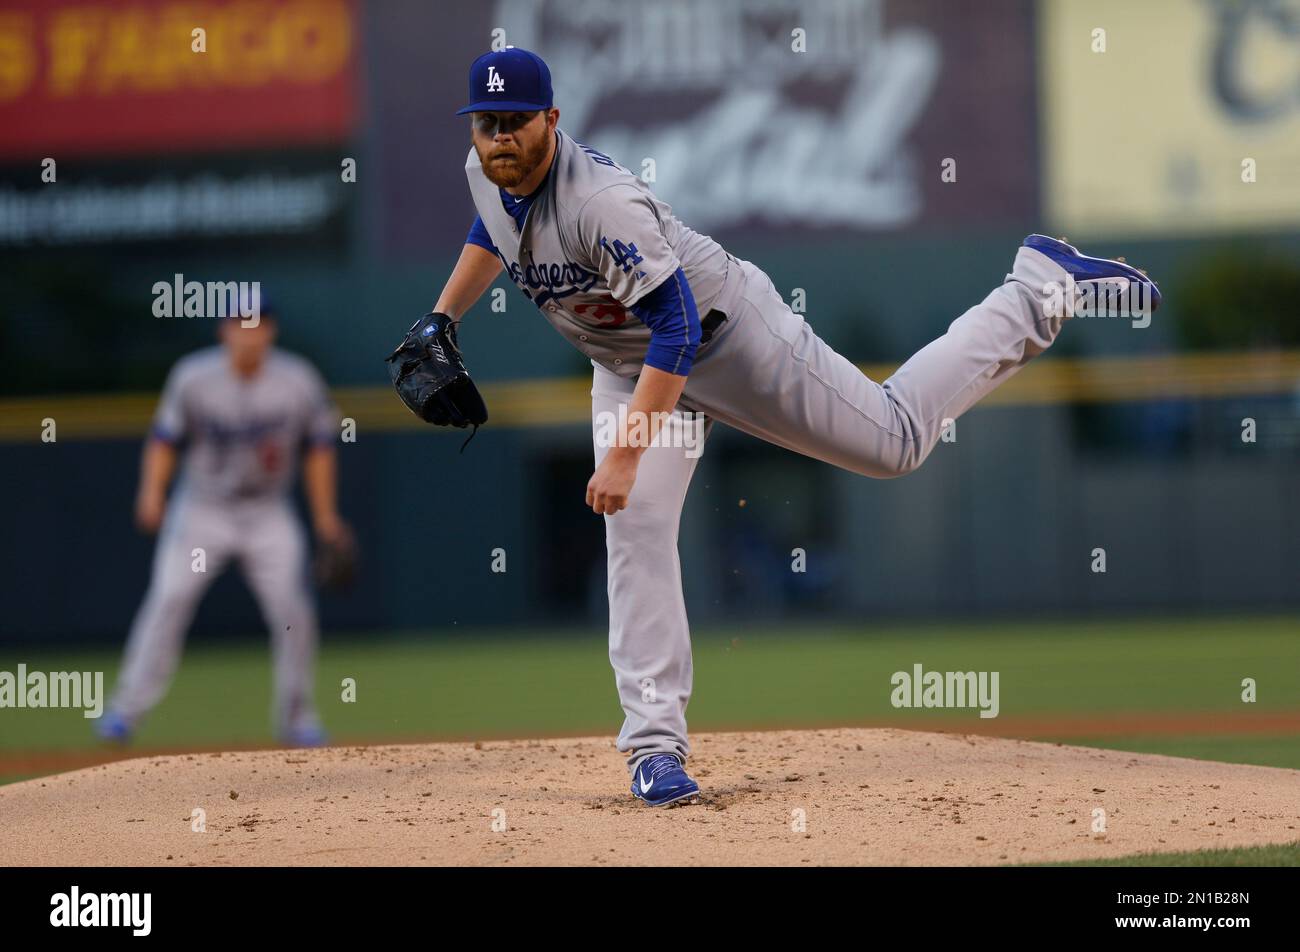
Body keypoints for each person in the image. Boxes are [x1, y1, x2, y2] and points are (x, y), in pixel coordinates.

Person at [430, 48, 1160, 806]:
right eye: (488, 124)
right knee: (636, 531)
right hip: (630, 369)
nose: (500, 139)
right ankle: (654, 750)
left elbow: (675, 329)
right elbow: (494, 231)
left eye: (516, 122)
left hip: (727, 340)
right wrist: (442, 315)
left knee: (896, 441)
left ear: (552, 118)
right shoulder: (489, 172)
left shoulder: (599, 204)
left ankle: (1036, 291)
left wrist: (623, 454)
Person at [97, 303, 345, 748]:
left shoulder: (297, 379)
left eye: (259, 324)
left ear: (271, 330)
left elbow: (320, 447)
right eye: (240, 324)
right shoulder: (193, 377)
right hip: (202, 510)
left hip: (268, 511)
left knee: (293, 609)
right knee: (170, 597)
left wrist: (326, 518)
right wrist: (152, 490)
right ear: (224, 331)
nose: (249, 333)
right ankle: (124, 711)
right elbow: (164, 439)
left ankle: (297, 717)